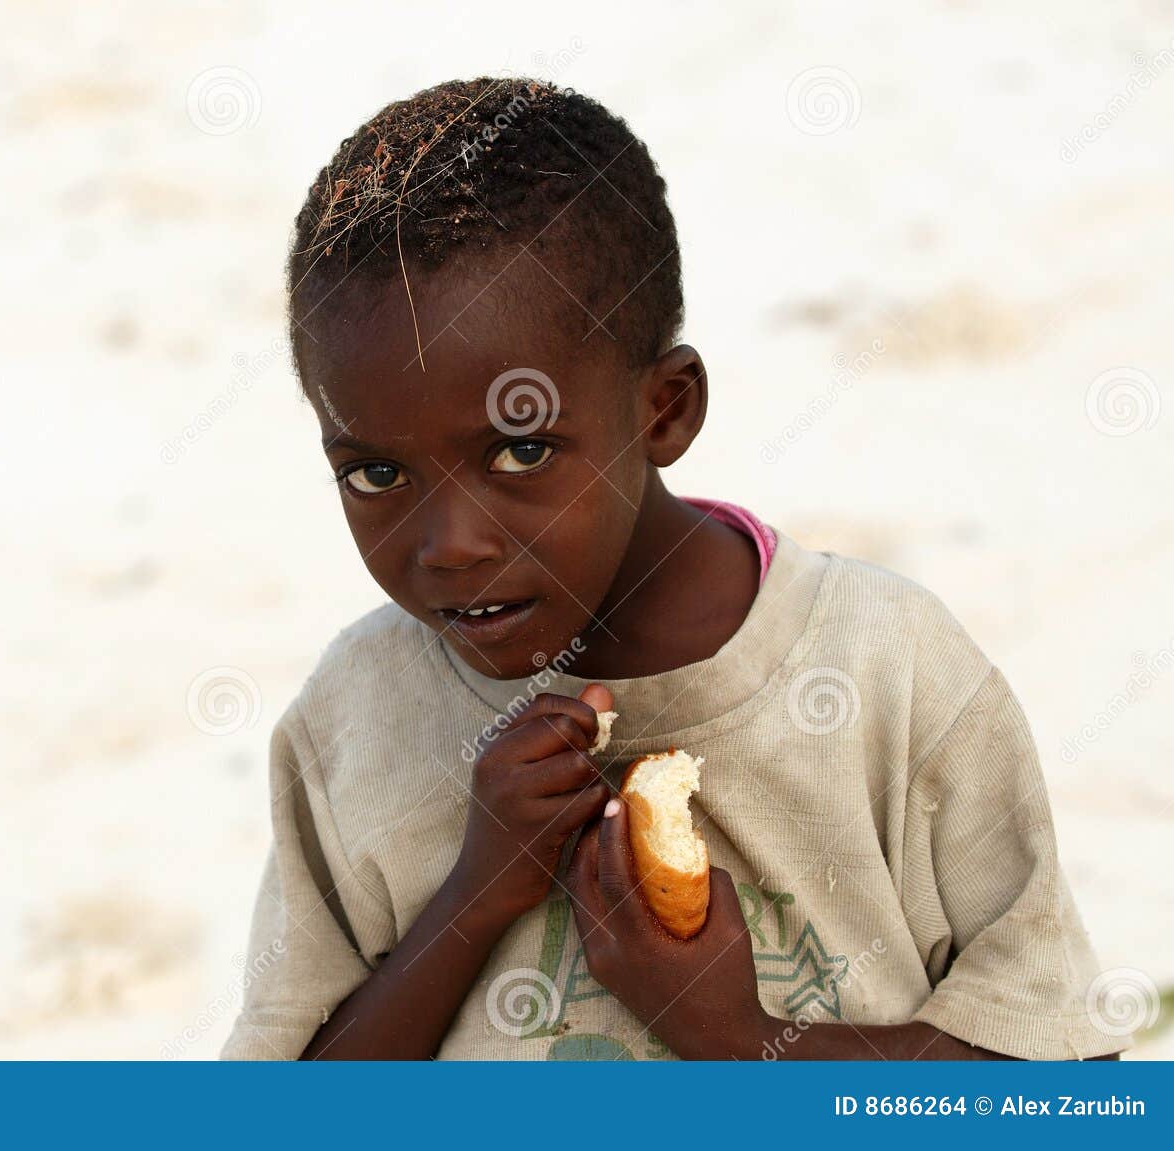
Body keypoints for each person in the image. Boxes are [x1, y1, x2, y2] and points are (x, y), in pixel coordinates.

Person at [221, 77, 1127, 1061]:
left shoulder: (884, 670)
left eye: (520, 451)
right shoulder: (353, 716)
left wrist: (742, 1038)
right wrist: (473, 899)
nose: (449, 545)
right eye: (376, 471)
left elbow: (1064, 1083)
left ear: (664, 409)